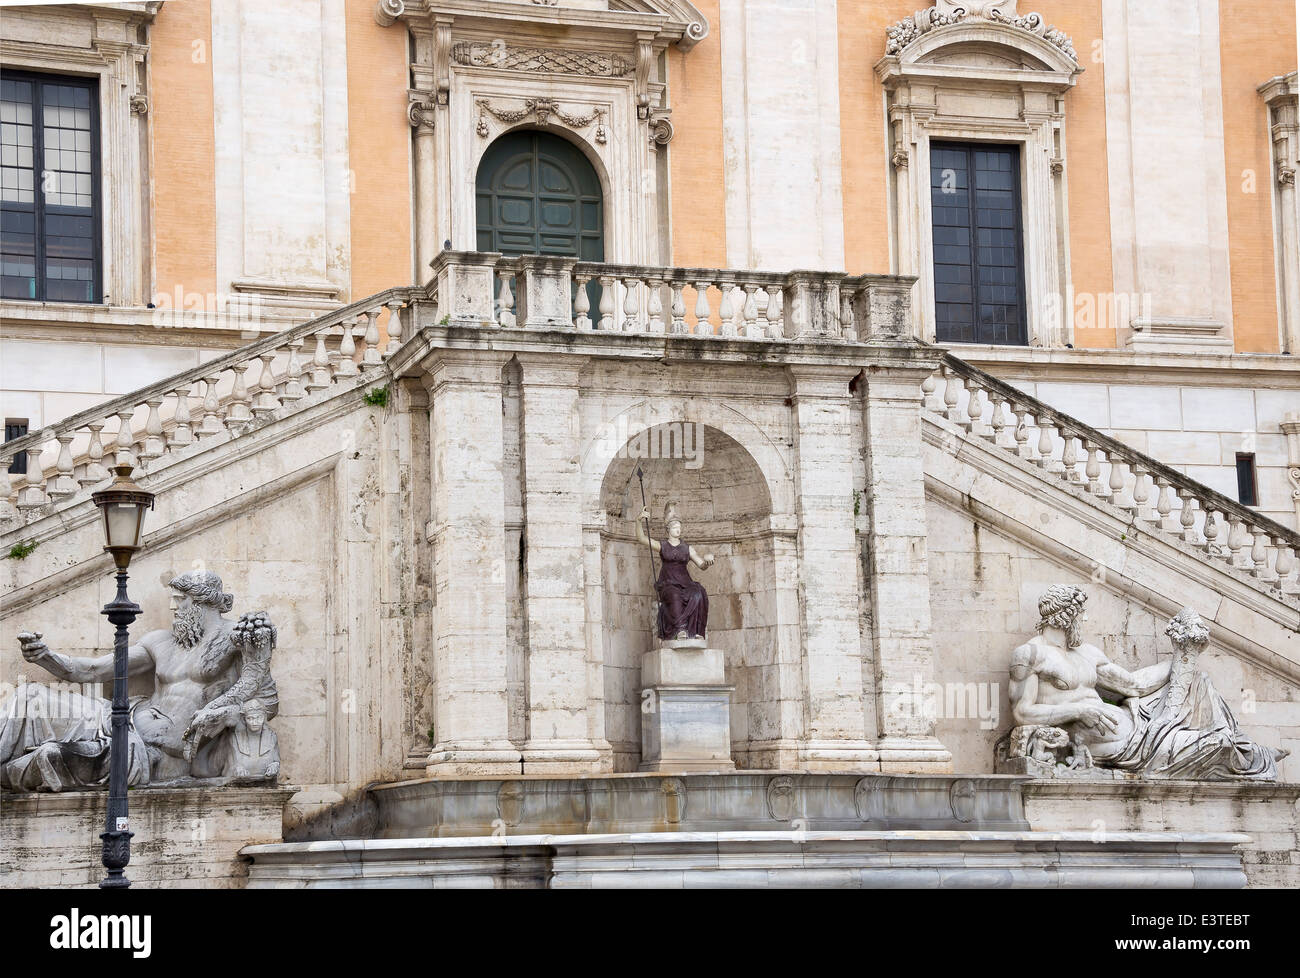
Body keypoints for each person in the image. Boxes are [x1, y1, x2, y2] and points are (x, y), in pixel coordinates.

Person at [636, 502, 715, 641]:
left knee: (698, 594)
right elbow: (642, 539)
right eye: (675, 527)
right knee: (674, 595)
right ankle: (680, 630)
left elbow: (701, 564)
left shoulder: (687, 548)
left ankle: (695, 631)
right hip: (668, 582)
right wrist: (638, 520)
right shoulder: (663, 545)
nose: (678, 530)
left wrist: (707, 562)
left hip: (685, 582)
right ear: (668, 529)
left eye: (679, 527)